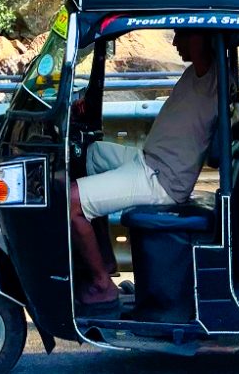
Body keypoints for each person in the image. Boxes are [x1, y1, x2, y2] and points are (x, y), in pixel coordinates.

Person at [70, 31, 218, 308]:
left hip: (161, 179)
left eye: (180, 35)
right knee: (87, 155)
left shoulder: (210, 74)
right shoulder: (201, 75)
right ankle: (105, 260)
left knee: (72, 202)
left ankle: (102, 285)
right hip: (148, 160)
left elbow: (198, 34)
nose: (175, 43)